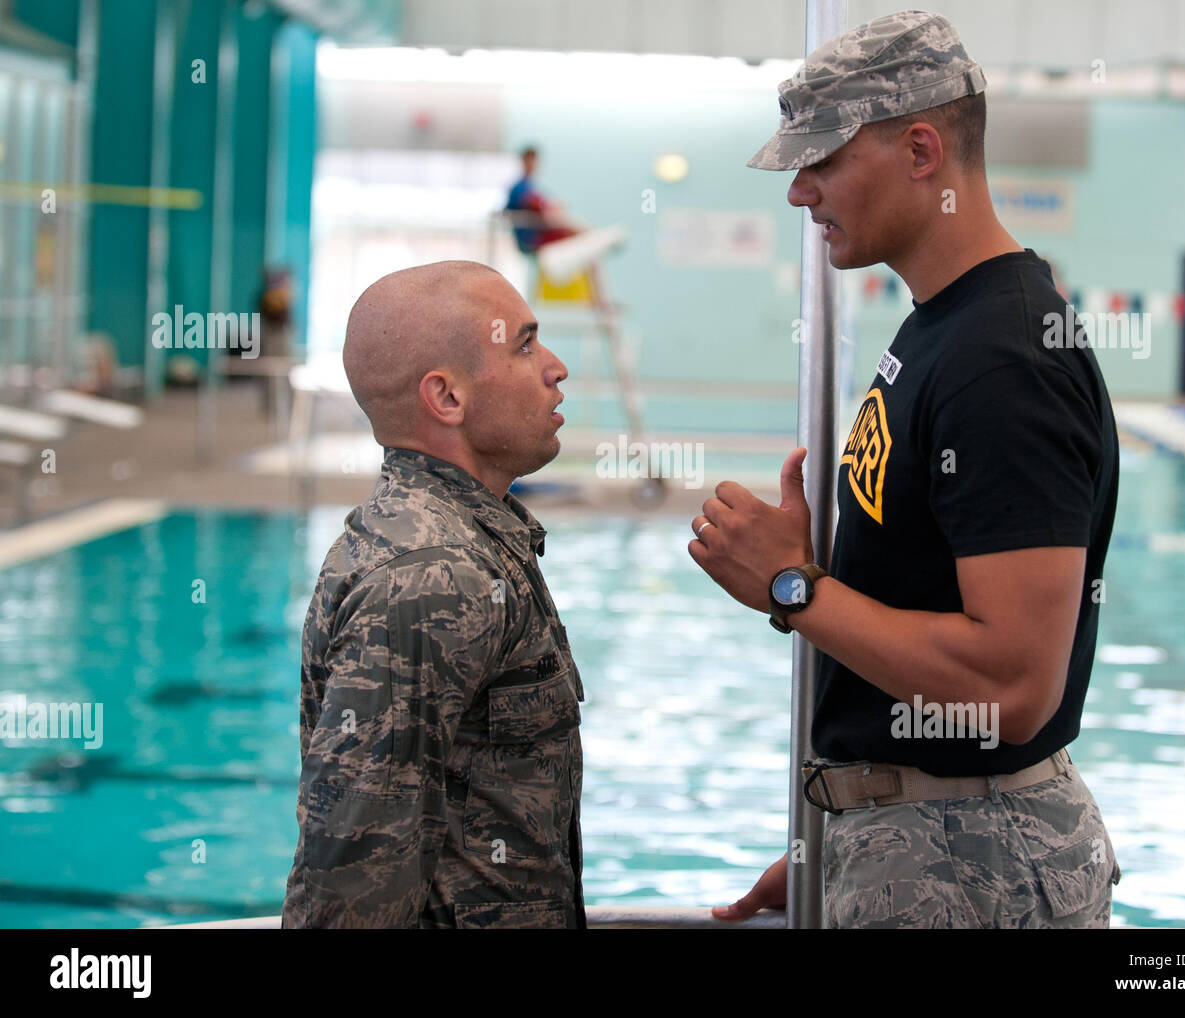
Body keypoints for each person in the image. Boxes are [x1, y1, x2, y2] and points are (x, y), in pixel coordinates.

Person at [689, 11, 1122, 928]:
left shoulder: (1004, 359)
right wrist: (856, 818)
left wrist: (789, 587)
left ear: (921, 150)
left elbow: (1008, 688)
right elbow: (914, 608)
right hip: (928, 843)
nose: (801, 192)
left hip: (979, 866)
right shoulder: (945, 326)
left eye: (823, 161)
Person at [281, 260, 585, 929]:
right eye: (525, 345)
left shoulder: (466, 540)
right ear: (446, 398)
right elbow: (353, 882)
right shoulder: (430, 577)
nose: (556, 367)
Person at [505, 146, 579, 255]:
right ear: (523, 162)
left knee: (572, 230)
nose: (533, 165)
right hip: (531, 237)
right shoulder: (518, 188)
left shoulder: (530, 186)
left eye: (534, 161)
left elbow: (542, 203)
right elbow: (536, 204)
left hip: (537, 234)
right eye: (529, 161)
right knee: (571, 232)